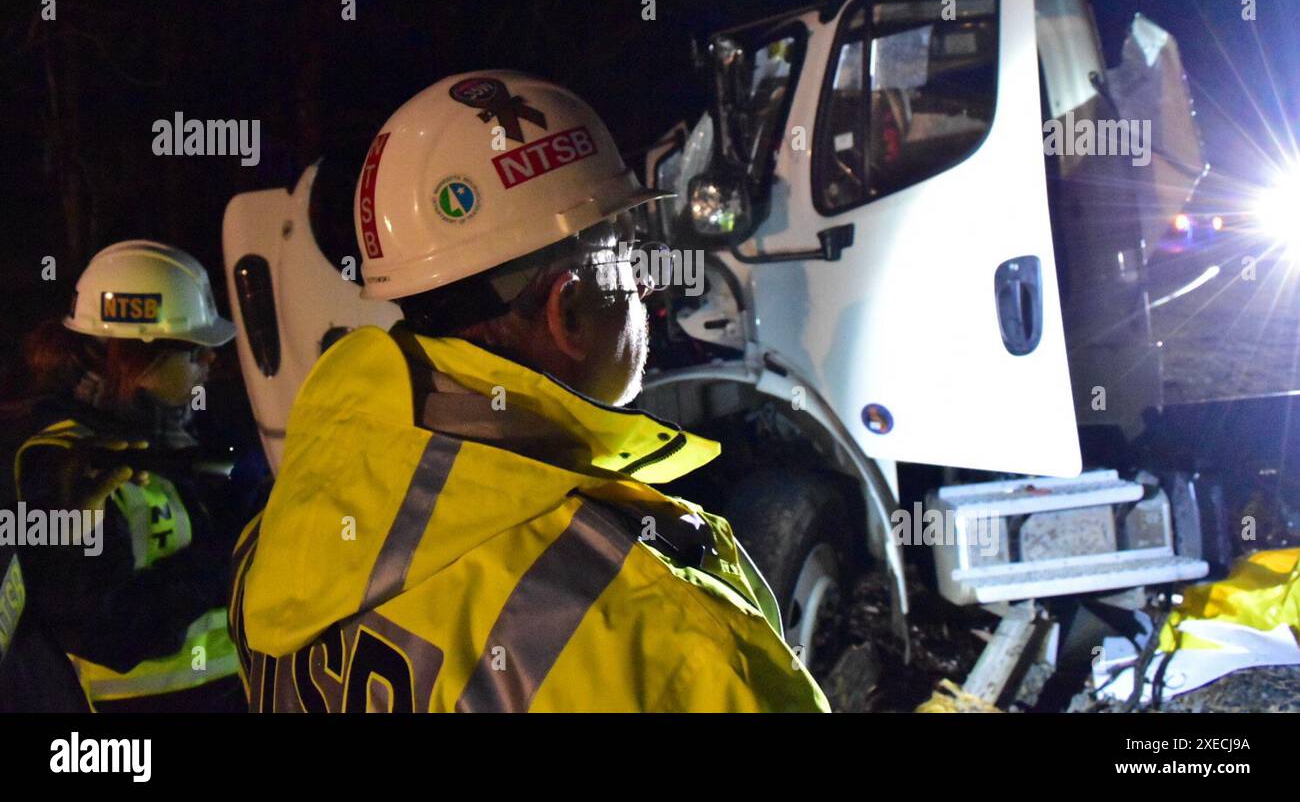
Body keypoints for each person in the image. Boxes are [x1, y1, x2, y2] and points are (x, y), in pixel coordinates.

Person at [230, 71, 830, 712]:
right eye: (627, 255)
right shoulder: (658, 635)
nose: (646, 288)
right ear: (567, 311)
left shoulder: (272, 544)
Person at [4, 241, 249, 711]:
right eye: (195, 351)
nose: (212, 362)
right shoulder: (65, 467)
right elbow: (108, 629)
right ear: (136, 358)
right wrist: (228, 561)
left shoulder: (163, 433)